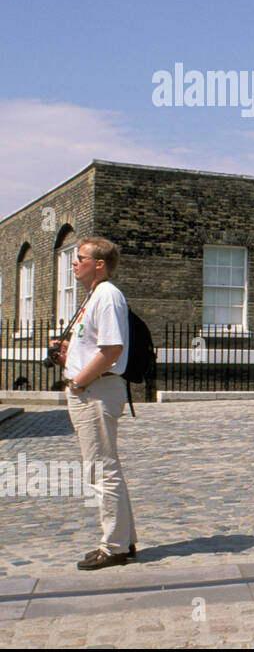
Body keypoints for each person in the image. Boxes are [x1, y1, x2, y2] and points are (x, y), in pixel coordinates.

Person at [49, 237, 138, 570]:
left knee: (101, 470)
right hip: (90, 388)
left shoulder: (108, 295)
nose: (74, 263)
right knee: (105, 466)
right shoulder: (93, 297)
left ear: (99, 264)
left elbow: (112, 350)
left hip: (96, 391)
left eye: (80, 257)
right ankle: (124, 540)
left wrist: (77, 382)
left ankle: (113, 545)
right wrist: (67, 359)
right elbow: (93, 349)